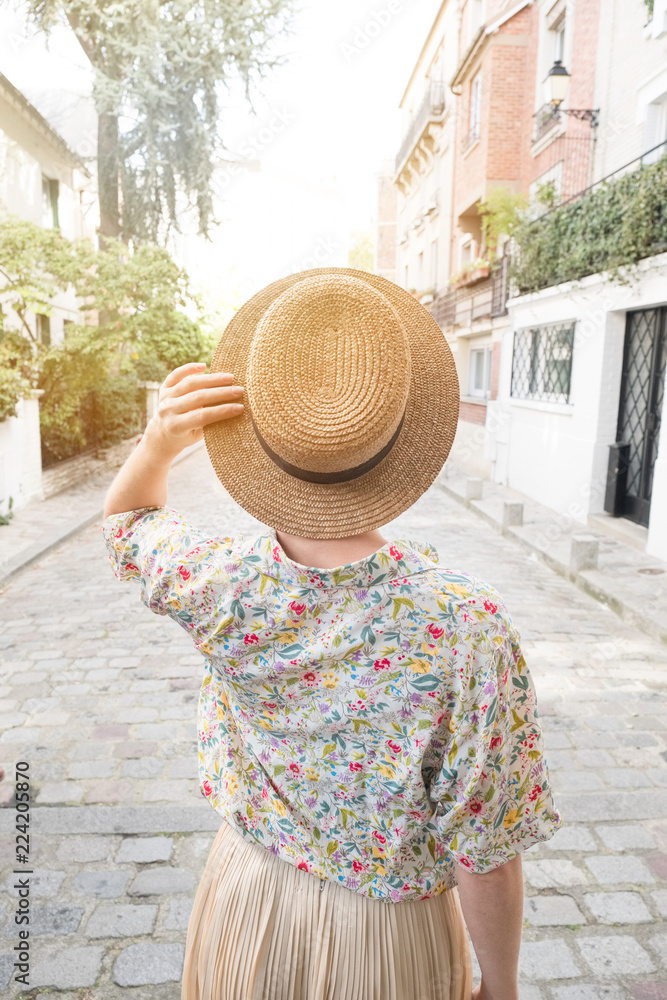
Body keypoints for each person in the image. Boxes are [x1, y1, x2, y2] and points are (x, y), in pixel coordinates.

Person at [103, 269, 561, 1000]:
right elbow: (485, 848)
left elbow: (128, 524)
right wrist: (499, 987)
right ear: (401, 435)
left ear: (259, 439)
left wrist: (159, 443)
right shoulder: (464, 624)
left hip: (245, 899)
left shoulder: (215, 581)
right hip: (390, 937)